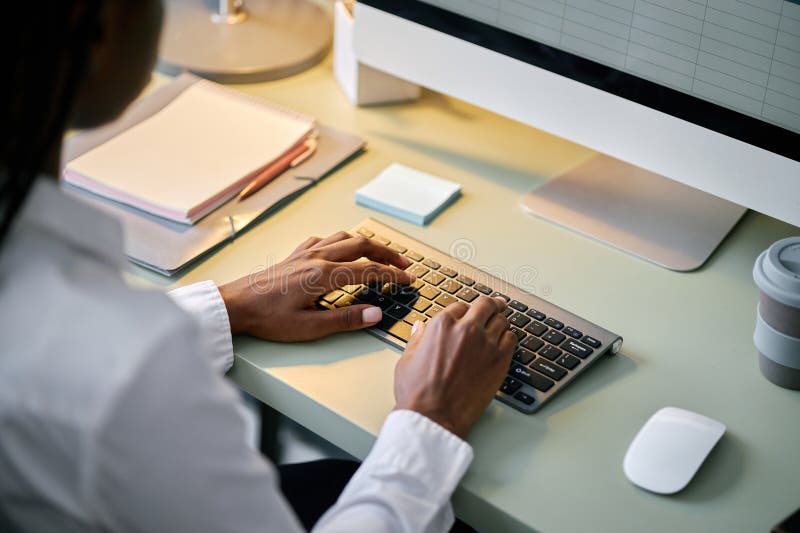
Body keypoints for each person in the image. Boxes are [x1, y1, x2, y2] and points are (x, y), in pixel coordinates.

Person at [0, 1, 516, 532]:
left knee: (335, 479)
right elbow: (102, 368)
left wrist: (229, 305)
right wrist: (432, 418)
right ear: (99, 30)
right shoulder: (128, 371)